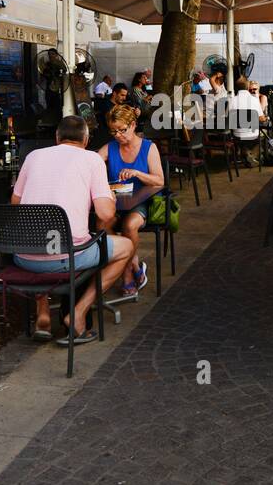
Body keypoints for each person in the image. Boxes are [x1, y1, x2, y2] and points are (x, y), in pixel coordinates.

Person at [12, 115, 134, 345]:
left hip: (23, 257)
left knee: (40, 240)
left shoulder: (33, 156)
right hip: (67, 257)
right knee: (126, 246)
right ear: (86, 140)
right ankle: (79, 312)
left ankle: (43, 314)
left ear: (57, 138)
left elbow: (15, 203)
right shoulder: (91, 160)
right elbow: (106, 215)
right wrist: (108, 194)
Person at [96, 105, 164, 295]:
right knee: (102, 222)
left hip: (142, 200)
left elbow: (159, 180)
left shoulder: (149, 147)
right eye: (113, 131)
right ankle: (133, 264)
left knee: (130, 224)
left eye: (122, 130)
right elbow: (91, 164)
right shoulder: (110, 147)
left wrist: (137, 173)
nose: (118, 135)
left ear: (133, 125)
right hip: (117, 201)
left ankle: (126, 272)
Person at [230, 76, 265, 167]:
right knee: (264, 134)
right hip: (253, 135)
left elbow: (227, 117)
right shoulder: (254, 100)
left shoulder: (232, 100)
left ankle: (245, 154)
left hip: (237, 135)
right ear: (247, 87)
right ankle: (251, 155)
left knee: (242, 136)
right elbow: (261, 118)